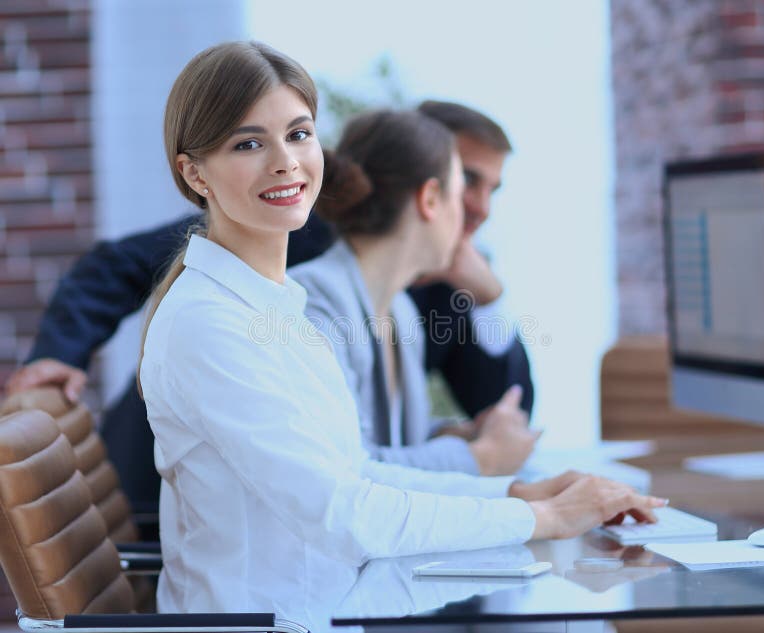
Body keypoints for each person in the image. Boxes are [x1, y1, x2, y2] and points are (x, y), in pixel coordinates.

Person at [139, 40, 665, 613]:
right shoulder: (210, 325)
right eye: (249, 143)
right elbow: (341, 515)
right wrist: (540, 516)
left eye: (298, 133)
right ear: (195, 173)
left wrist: (516, 492)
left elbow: (358, 474)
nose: (285, 161)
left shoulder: (277, 307)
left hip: (329, 606)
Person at [4, 104, 533, 510]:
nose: (479, 208)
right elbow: (118, 266)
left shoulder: (429, 292)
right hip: (169, 492)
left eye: (493, 189)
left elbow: (505, 410)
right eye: (467, 181)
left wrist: (491, 301)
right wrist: (58, 354)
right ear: (425, 188)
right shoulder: (284, 232)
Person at [291, 109, 536, 476]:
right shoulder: (312, 302)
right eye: (463, 186)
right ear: (431, 198)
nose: (480, 211)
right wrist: (479, 459)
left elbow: (381, 439)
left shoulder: (401, 311)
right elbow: (342, 472)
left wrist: (450, 437)